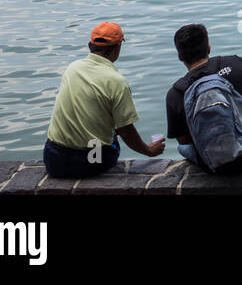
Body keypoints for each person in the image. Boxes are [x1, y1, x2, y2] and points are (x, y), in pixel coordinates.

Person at [44, 22, 165, 178]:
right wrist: (148, 151)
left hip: (53, 158)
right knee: (114, 139)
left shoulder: (72, 68)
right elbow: (126, 131)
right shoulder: (116, 82)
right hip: (89, 162)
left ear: (90, 45)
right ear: (117, 48)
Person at [165, 24, 242, 173]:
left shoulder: (176, 92)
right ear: (208, 48)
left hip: (214, 164)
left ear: (180, 56)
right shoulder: (235, 63)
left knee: (183, 147)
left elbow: (185, 141)